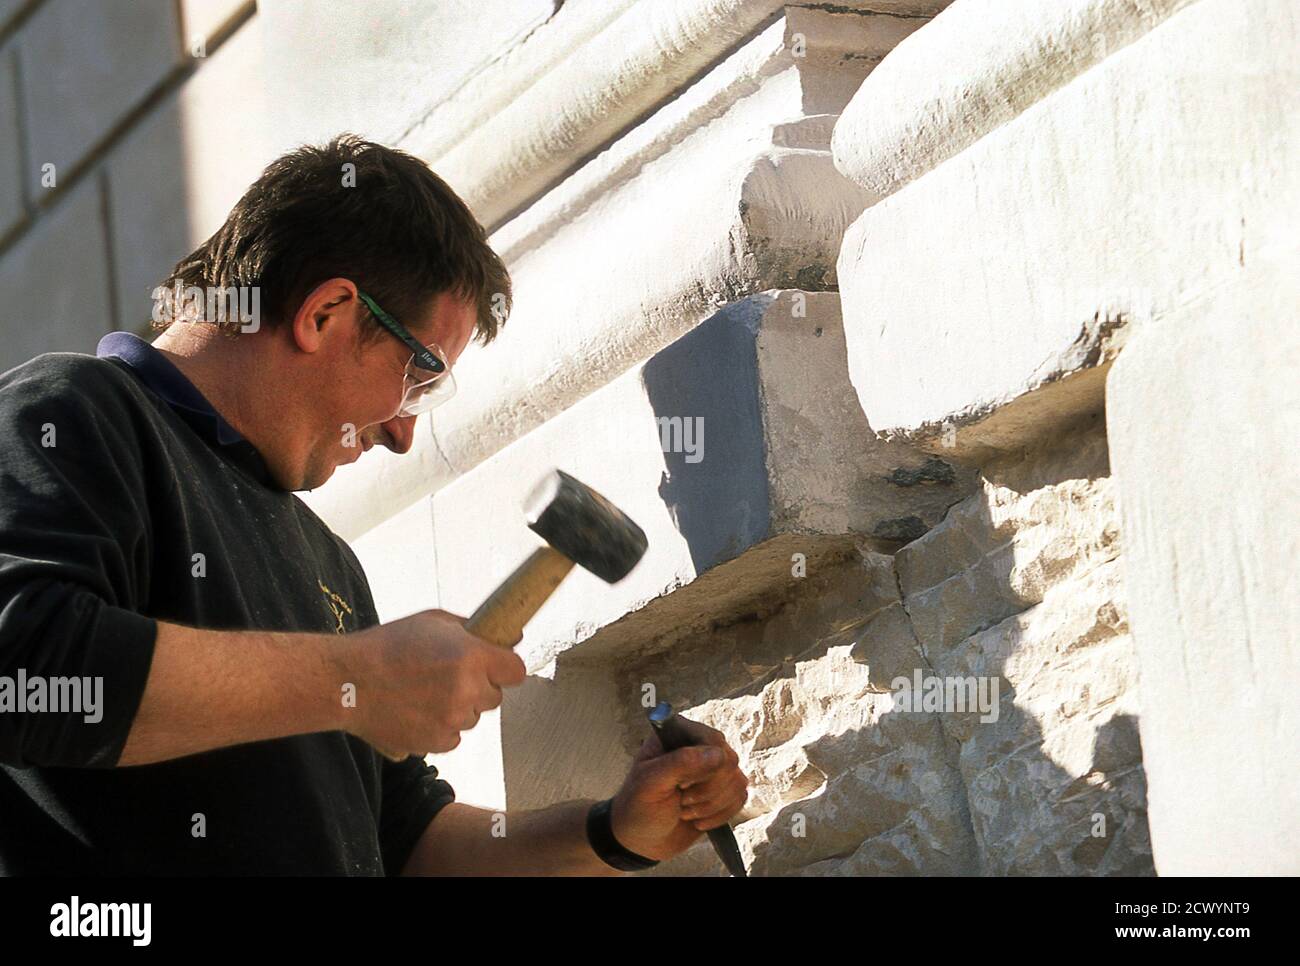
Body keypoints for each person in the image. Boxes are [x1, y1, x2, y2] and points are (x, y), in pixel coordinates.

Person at [0, 135, 747, 875]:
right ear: (326, 312)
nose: (402, 431)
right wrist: (350, 680)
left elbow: (402, 838)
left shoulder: (329, 564)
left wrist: (614, 832)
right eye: (419, 375)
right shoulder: (73, 410)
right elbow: (25, 671)